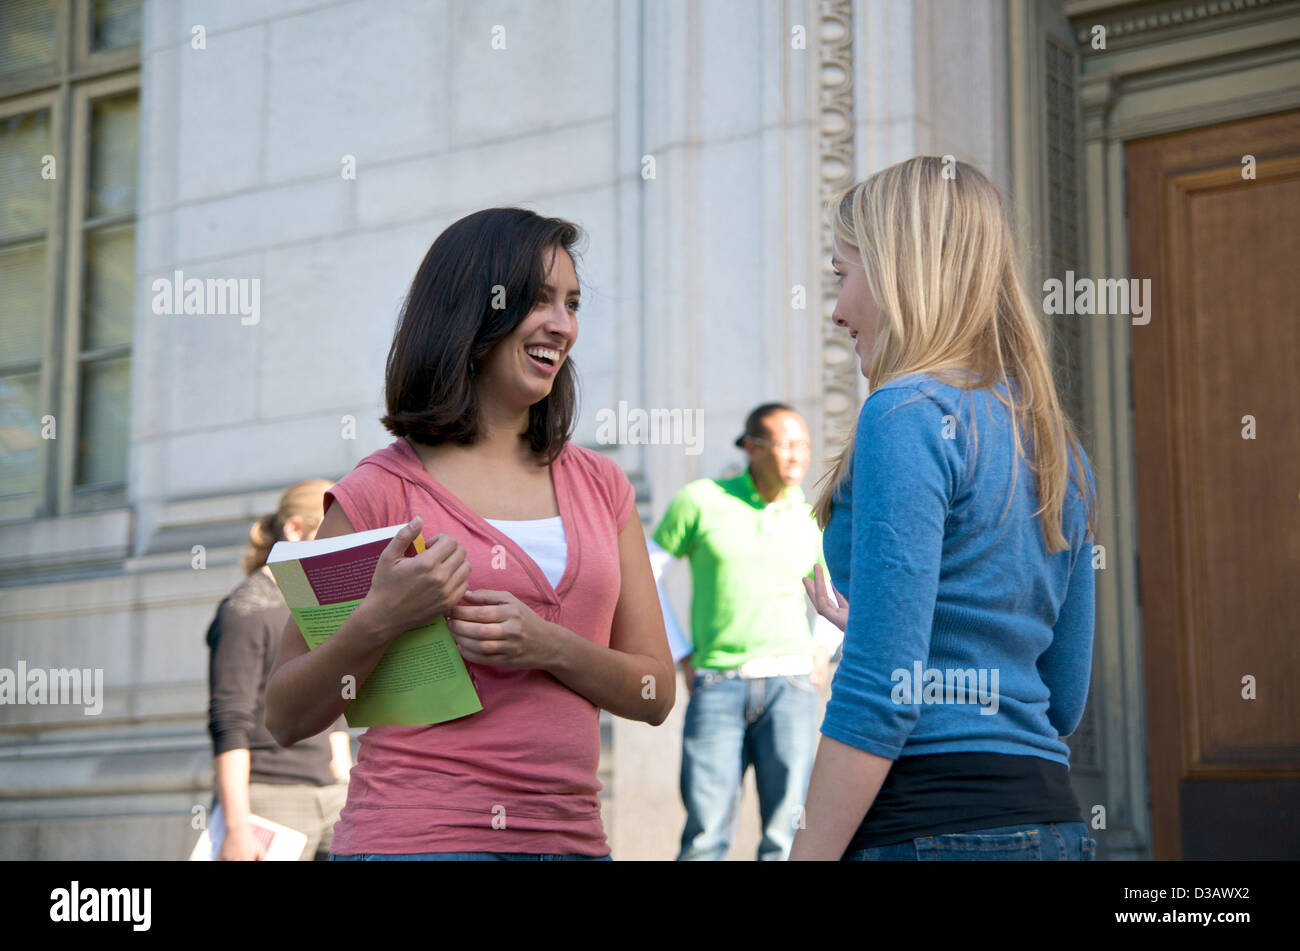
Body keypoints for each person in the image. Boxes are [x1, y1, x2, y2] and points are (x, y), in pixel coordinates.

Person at [264, 207, 674, 860]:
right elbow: (285, 714)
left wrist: (547, 644)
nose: (562, 324)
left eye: (571, 303)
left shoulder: (605, 487)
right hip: (417, 841)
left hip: (571, 843)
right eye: (539, 300)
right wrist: (381, 618)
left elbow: (655, 691)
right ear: (472, 310)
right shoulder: (379, 490)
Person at [790, 156, 1098, 861]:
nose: (836, 310)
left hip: (931, 825)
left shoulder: (904, 412)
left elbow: (880, 692)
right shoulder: (1059, 448)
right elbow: (1060, 697)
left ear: (903, 271)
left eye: (843, 274)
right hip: (1052, 823)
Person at [653, 403, 843, 861]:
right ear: (752, 448)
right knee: (704, 837)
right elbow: (645, 574)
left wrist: (823, 647)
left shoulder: (814, 514)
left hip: (793, 687)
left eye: (804, 445)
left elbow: (840, 586)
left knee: (787, 838)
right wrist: (678, 652)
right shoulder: (700, 499)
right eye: (785, 445)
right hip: (717, 683)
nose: (798, 457)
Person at [205, 479, 352, 860]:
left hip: (332, 799)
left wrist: (347, 784)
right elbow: (229, 721)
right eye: (332, 532)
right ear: (295, 531)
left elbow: (330, 708)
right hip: (270, 801)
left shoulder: (313, 603)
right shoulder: (244, 610)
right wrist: (237, 828)